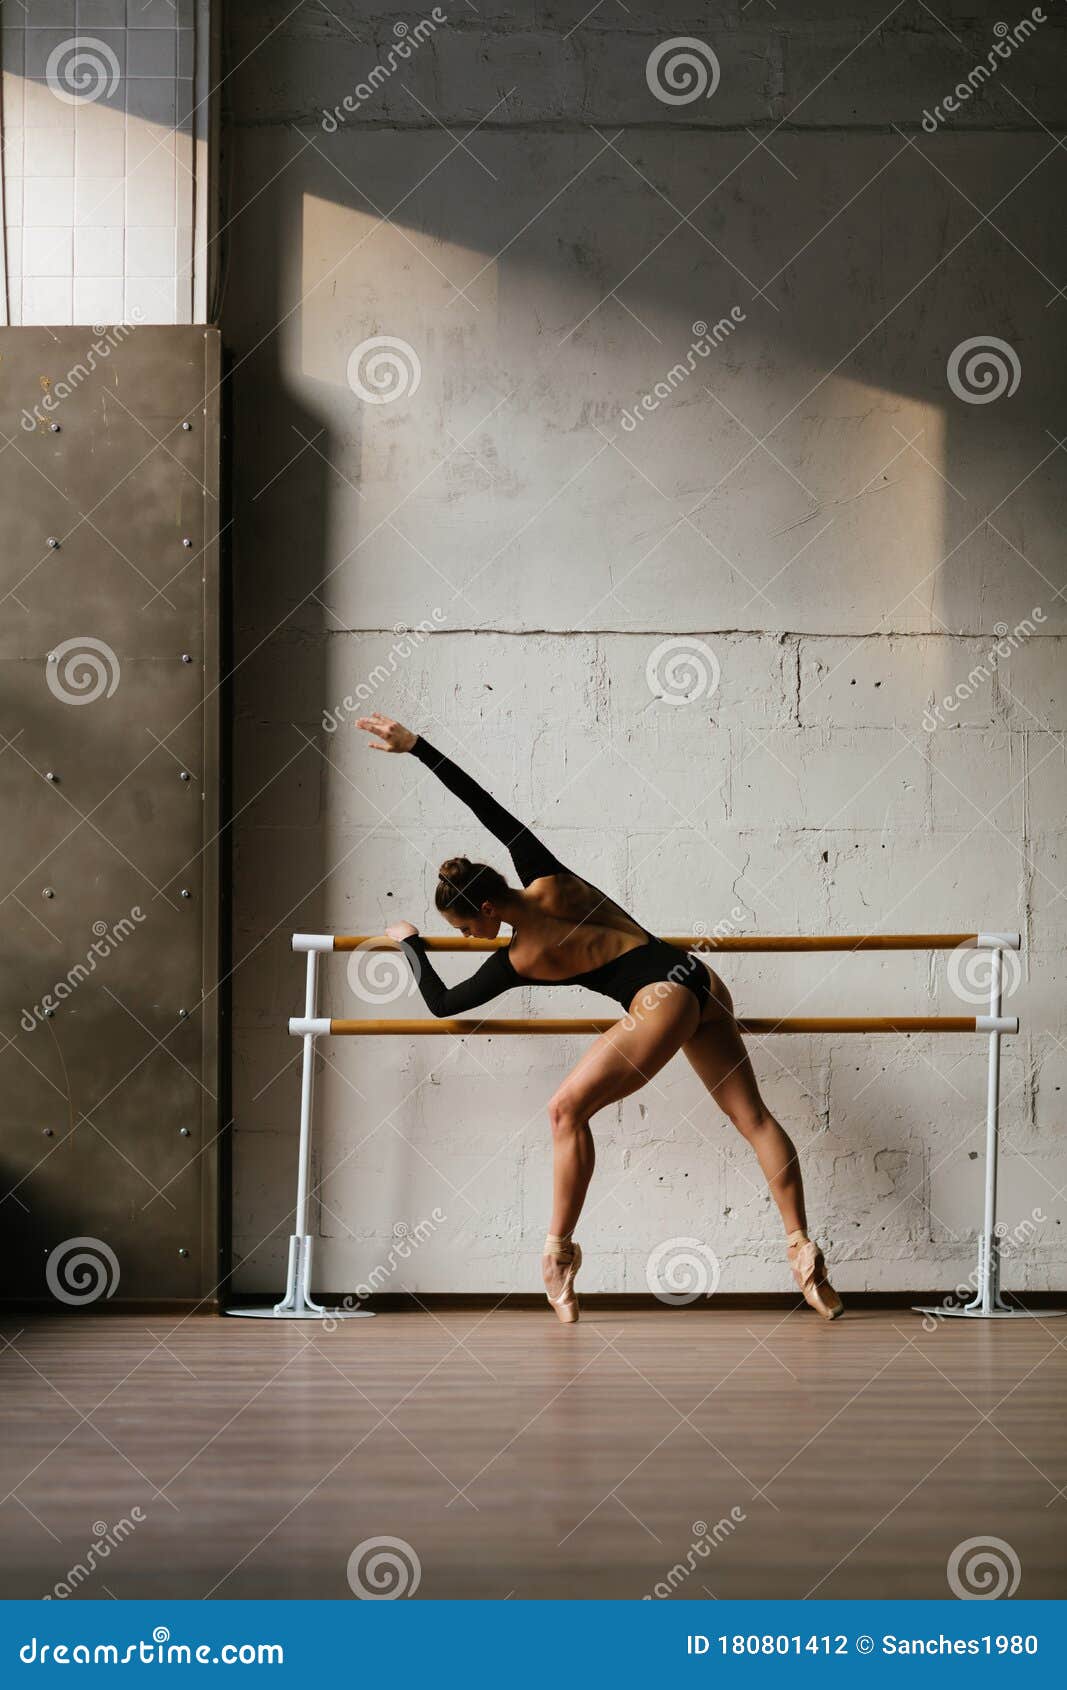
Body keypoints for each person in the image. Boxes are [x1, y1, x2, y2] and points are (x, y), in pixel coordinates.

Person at [355, 713, 843, 1325]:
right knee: (754, 1118)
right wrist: (418, 748)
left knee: (566, 1111)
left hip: (660, 1002)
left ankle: (557, 1257)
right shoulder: (546, 874)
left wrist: (411, 945)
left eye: (464, 927)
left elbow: (444, 1004)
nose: (471, 937)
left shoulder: (518, 961)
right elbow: (486, 805)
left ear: (482, 908)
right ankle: (802, 1250)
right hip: (700, 980)